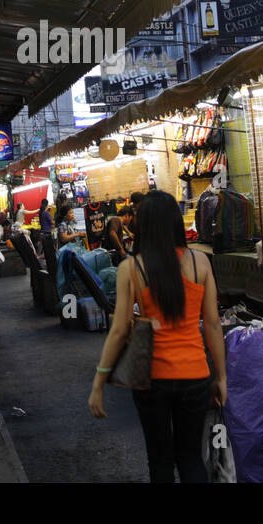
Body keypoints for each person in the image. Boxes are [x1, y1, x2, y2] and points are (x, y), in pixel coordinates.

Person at [88, 191, 227, 483]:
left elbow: (119, 330)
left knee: (160, 461)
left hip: (152, 379)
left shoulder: (132, 268)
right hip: (195, 375)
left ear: (145, 225)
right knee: (191, 458)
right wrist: (221, 377)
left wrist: (99, 381)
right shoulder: (201, 263)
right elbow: (213, 325)